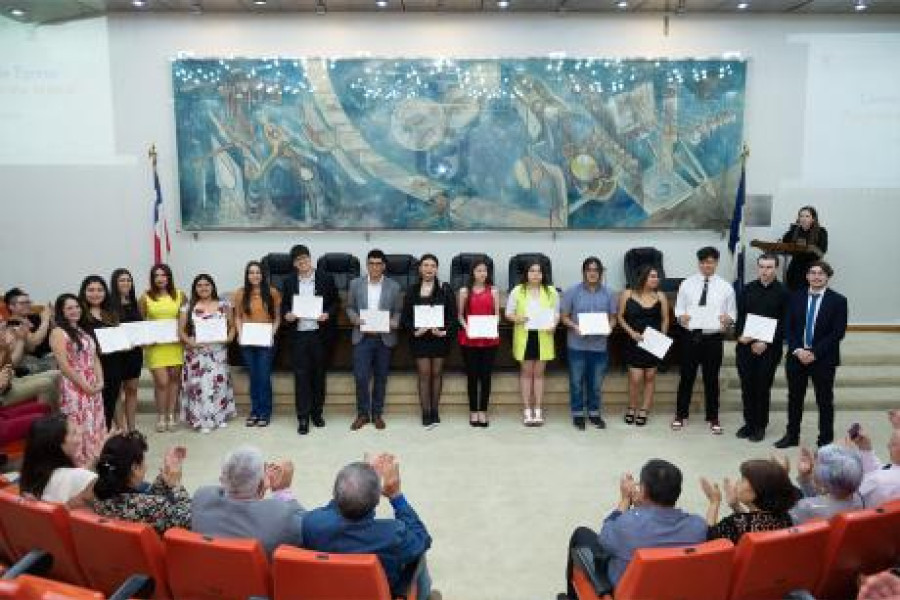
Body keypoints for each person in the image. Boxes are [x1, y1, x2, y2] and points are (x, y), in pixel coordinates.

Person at [557, 459, 706, 600]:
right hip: (673, 592)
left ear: (644, 491)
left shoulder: (627, 525)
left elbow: (605, 536)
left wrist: (625, 500)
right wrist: (644, 508)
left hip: (627, 593)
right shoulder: (699, 527)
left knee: (581, 534)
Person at [302, 454, 438, 600]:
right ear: (377, 499)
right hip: (377, 594)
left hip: (332, 591)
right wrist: (396, 496)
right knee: (418, 554)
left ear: (335, 493)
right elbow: (423, 539)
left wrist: (362, 474)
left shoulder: (311, 522)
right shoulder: (393, 535)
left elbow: (331, 508)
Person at [775, 260, 848, 449]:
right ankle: (792, 436)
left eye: (821, 273)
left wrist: (814, 353)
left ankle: (825, 439)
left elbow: (837, 332)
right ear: (807, 276)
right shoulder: (794, 297)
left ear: (827, 277)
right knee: (794, 398)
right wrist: (799, 350)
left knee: (824, 400)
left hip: (823, 359)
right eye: (813, 273)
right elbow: (788, 327)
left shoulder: (839, 301)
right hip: (796, 357)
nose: (816, 276)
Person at [191, 446, 304, 558]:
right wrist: (281, 490)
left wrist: (257, 490)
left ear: (222, 479)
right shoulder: (280, 516)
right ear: (261, 482)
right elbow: (307, 524)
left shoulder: (201, 499)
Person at [672, 246, 736, 435]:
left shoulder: (726, 287)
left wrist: (728, 319)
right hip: (690, 336)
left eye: (710, 262)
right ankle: (681, 415)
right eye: (703, 262)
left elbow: (732, 313)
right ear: (699, 263)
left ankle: (713, 417)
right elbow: (678, 309)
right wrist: (681, 317)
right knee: (686, 377)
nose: (706, 265)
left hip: (713, 338)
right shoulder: (687, 284)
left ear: (716, 263)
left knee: (711, 379)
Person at [281, 245, 338, 435]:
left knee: (319, 375)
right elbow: (284, 306)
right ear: (294, 264)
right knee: (301, 377)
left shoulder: (325, 278)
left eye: (304, 258)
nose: (302, 262)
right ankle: (303, 417)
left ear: (310, 259)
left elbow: (335, 302)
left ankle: (317, 413)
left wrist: (327, 314)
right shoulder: (289, 281)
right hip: (298, 336)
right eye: (298, 260)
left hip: (319, 335)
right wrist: (287, 314)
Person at [734, 254, 789, 443]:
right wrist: (741, 336)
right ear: (757, 268)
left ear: (776, 269)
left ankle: (759, 426)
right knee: (746, 386)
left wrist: (765, 342)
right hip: (746, 347)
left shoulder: (784, 292)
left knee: (762, 387)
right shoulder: (747, 289)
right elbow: (740, 317)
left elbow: (785, 323)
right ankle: (748, 423)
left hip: (769, 349)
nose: (765, 271)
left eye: (769, 267)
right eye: (762, 267)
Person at [346, 249, 402, 431]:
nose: (375, 267)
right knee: (361, 377)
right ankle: (363, 413)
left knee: (381, 378)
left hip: (384, 339)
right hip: (362, 338)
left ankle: (377, 414)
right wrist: (355, 319)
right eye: (372, 263)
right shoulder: (355, 284)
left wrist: (395, 321)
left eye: (379, 263)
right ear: (367, 265)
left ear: (384, 266)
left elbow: (398, 311)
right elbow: (349, 307)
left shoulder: (394, 286)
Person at [92, 431, 192, 534]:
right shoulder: (156, 506)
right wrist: (176, 486)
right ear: (135, 468)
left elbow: (147, 500)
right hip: (155, 547)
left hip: (116, 545)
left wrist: (163, 479)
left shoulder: (96, 496)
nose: (146, 466)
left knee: (145, 486)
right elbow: (190, 520)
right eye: (144, 461)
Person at [49, 293, 106, 467]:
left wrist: (100, 380)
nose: (75, 311)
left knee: (94, 423)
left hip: (92, 382)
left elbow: (94, 357)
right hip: (74, 385)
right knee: (79, 426)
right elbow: (64, 366)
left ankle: (94, 460)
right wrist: (85, 386)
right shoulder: (58, 332)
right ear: (61, 311)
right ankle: (81, 466)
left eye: (77, 307)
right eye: (69, 308)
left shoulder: (81, 329)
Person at [560, 257, 617, 430]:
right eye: (589, 270)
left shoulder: (609, 293)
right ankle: (577, 414)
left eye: (596, 270)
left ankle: (594, 413)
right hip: (577, 345)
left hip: (599, 346)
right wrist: (574, 326)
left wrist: (610, 327)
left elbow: (613, 318)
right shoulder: (572, 292)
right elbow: (564, 317)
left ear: (600, 273)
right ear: (584, 272)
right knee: (577, 382)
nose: (592, 273)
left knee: (596, 383)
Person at [402, 254, 456, 427]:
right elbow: (405, 317)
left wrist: (444, 331)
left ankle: (435, 410)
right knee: (424, 374)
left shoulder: (445, 288)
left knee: (437, 374)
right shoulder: (412, 289)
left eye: (432, 265)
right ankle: (426, 411)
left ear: (437, 269)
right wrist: (414, 331)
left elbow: (452, 316)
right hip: (420, 338)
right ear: (420, 268)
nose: (429, 269)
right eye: (425, 265)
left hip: (439, 338)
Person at [178, 274, 236, 434]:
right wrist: (192, 343)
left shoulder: (224, 305)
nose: (203, 288)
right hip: (197, 353)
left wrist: (229, 339)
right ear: (195, 288)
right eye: (200, 285)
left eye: (207, 285)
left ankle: (220, 417)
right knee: (200, 387)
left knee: (218, 385)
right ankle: (201, 420)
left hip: (218, 353)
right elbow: (181, 331)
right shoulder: (187, 307)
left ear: (212, 286)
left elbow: (232, 326)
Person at [505, 260, 559, 427]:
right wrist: (518, 318)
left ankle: (538, 410)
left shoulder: (551, 291)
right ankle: (527, 411)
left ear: (544, 275)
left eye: (539, 271)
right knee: (527, 373)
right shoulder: (517, 291)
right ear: (526, 274)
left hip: (543, 336)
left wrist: (554, 325)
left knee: (539, 374)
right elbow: (508, 313)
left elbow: (556, 313)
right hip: (525, 336)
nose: (536, 274)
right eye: (532, 271)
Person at [618, 265, 669, 427]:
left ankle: (644, 409)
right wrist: (632, 333)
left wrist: (662, 336)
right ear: (643, 278)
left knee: (650, 377)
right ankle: (632, 407)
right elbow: (620, 317)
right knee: (635, 378)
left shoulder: (660, 296)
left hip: (653, 343)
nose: (656, 279)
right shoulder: (627, 294)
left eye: (657, 277)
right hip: (634, 341)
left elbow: (665, 318)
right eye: (652, 276)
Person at [702, 459, 797, 544]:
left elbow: (710, 540)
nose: (738, 482)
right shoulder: (785, 518)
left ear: (758, 490)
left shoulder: (735, 524)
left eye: (743, 480)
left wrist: (714, 503)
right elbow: (753, 522)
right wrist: (735, 506)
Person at [234, 261, 281, 429]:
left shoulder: (272, 292)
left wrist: (271, 334)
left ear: (263, 275)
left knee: (263, 376)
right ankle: (254, 411)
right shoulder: (240, 293)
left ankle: (264, 412)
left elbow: (277, 318)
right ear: (247, 276)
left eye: (258, 272)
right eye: (251, 272)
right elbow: (238, 317)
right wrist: (239, 334)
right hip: (247, 341)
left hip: (265, 341)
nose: (255, 275)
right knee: (253, 377)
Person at [139, 264, 185, 433]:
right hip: (156, 347)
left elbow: (185, 320)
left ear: (169, 277)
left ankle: (171, 416)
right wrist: (145, 340)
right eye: (157, 275)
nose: (160, 278)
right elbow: (140, 322)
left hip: (175, 345)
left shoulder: (180, 295)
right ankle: (160, 416)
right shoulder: (145, 297)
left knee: (174, 381)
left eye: (163, 275)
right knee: (162, 382)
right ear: (153, 278)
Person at [457, 259, 500, 427]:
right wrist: (467, 327)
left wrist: (492, 326)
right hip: (470, 339)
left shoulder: (494, 291)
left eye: (485, 271)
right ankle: (473, 411)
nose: (482, 274)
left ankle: (483, 411)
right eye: (479, 270)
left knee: (486, 376)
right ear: (472, 273)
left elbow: (497, 315)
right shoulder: (464, 291)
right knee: (472, 376)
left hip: (489, 339)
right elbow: (460, 315)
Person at [79, 275, 125, 431]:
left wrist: (125, 343)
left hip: (114, 363)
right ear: (84, 292)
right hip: (93, 366)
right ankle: (100, 441)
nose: (95, 293)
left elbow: (119, 337)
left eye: (99, 290)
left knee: (111, 401)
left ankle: (108, 437)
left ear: (105, 292)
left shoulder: (110, 312)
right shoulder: (80, 315)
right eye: (91, 290)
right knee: (98, 405)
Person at [19, 415, 96, 507]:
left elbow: (72, 478)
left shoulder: (31, 477)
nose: (80, 433)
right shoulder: (80, 477)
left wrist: (96, 457)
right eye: (74, 433)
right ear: (58, 445)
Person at [789, 444, 864, 524]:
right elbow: (825, 501)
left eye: (816, 464)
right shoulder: (859, 499)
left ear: (823, 484)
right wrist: (805, 478)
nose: (814, 466)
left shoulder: (805, 507)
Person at [109, 269, 143, 432]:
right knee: (117, 393)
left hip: (134, 353)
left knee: (132, 390)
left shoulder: (134, 302)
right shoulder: (108, 305)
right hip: (115, 355)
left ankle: (132, 428)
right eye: (122, 280)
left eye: (128, 280)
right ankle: (121, 429)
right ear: (115, 283)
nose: (126, 283)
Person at [4, 288, 54, 374]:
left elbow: (55, 331)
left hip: (53, 351)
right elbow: (34, 342)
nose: (28, 305)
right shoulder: (13, 325)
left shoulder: (34, 316)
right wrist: (45, 321)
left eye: (28, 302)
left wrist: (52, 318)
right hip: (39, 357)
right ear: (11, 307)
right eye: (23, 303)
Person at [850, 423, 900, 507]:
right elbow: (882, 470)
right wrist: (865, 449)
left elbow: (848, 498)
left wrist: (844, 456)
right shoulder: (891, 473)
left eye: (893, 444)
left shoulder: (879, 482)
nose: (888, 446)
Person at [782, 206, 828, 292]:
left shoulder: (821, 232)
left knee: (808, 294)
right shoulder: (794, 231)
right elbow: (785, 243)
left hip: (812, 268)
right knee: (792, 293)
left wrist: (809, 248)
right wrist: (794, 229)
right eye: (801, 216)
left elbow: (822, 252)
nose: (803, 218)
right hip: (795, 268)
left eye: (807, 216)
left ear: (813, 219)